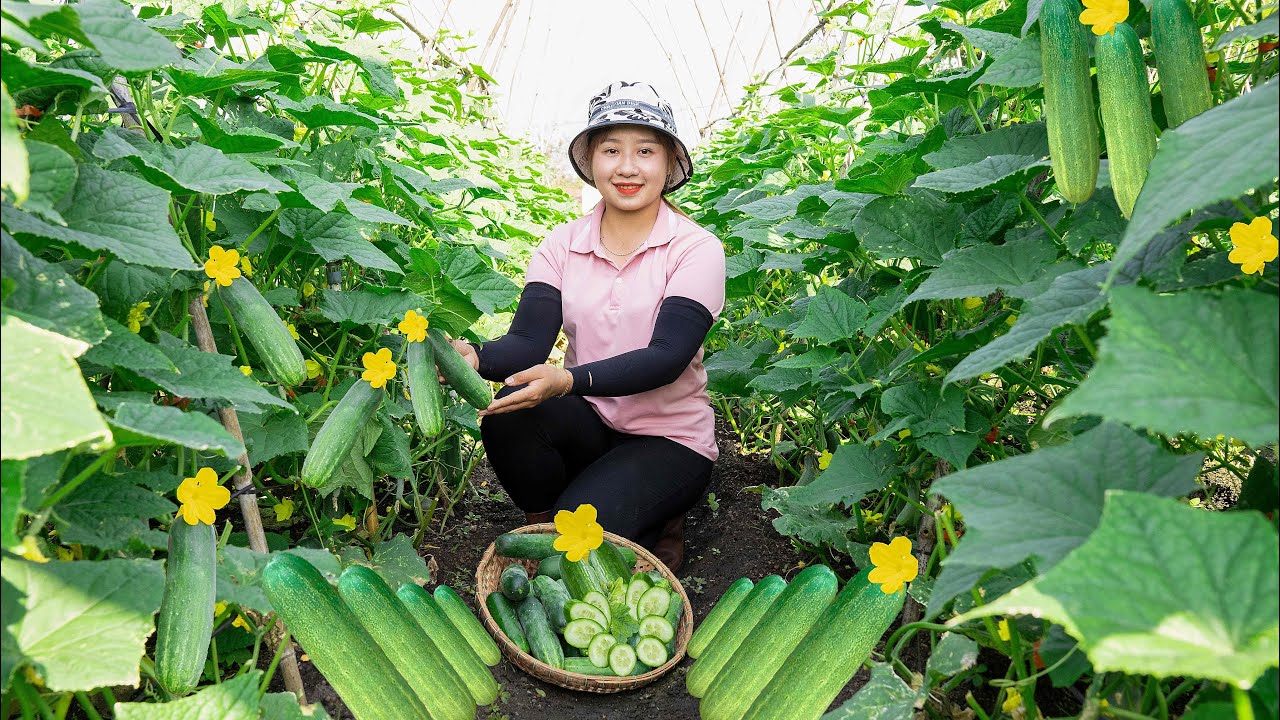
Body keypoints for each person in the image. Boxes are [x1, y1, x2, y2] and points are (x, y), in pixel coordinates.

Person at [443, 81, 726, 571]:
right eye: (611, 150)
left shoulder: (695, 249)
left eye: (645, 151)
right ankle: (542, 526)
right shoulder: (561, 244)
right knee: (509, 407)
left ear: (669, 164)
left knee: (583, 529)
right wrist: (476, 356)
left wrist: (568, 379)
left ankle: (663, 516)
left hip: (669, 439)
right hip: (590, 424)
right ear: (592, 162)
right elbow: (528, 341)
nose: (627, 166)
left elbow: (668, 357)